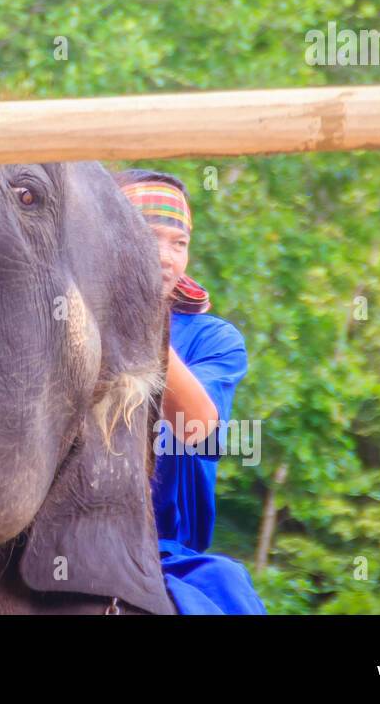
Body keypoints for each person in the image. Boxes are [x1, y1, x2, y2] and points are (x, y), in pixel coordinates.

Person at [114, 169, 266, 615]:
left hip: (160, 551)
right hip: (53, 534)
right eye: (149, 237)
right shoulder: (63, 316)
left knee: (226, 587)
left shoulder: (214, 339)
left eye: (178, 243)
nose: (166, 257)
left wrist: (140, 317)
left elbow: (197, 424)